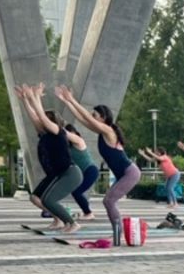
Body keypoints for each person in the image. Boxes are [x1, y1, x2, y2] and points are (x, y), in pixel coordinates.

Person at [55, 87, 140, 233]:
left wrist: (72, 99)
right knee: (109, 201)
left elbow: (87, 118)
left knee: (108, 201)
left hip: (130, 173)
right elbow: (82, 119)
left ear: (103, 118)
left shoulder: (109, 131)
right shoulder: (102, 132)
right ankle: (118, 231)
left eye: (95, 114)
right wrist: (67, 102)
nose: (92, 116)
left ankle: (118, 233)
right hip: (124, 174)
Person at [16, 85, 82, 233]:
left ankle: (72, 223)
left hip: (69, 173)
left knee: (48, 200)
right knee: (36, 197)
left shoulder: (58, 132)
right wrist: (25, 100)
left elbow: (41, 116)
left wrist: (36, 97)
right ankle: (59, 220)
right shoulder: (44, 134)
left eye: (46, 120)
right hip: (58, 174)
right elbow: (34, 117)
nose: (41, 122)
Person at [65, 124, 99, 221]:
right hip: (84, 173)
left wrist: (56, 125)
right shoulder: (69, 148)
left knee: (77, 192)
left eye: (71, 134)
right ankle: (86, 211)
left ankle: (88, 213)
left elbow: (64, 133)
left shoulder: (79, 141)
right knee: (76, 192)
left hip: (91, 170)